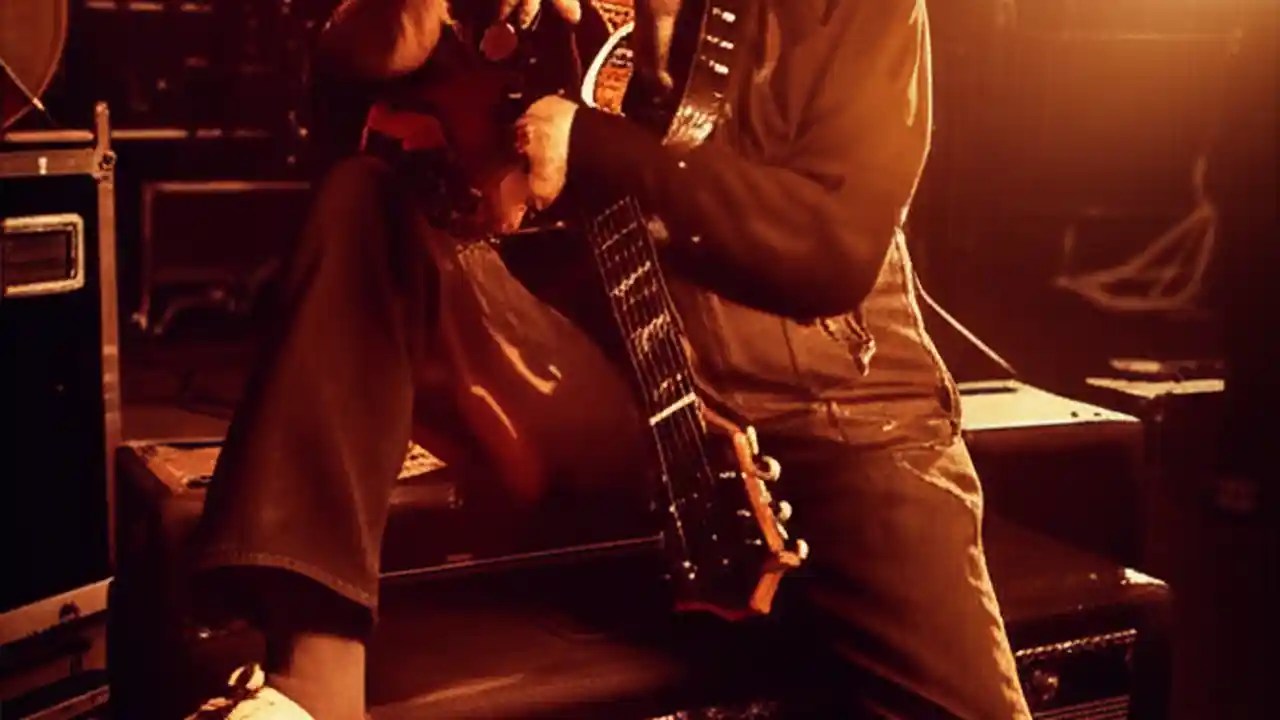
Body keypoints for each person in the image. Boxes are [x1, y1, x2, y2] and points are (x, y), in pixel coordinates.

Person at [186, 0, 1033, 718]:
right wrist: (387, 35)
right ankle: (307, 690)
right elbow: (367, 94)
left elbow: (833, 249)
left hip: (835, 407)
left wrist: (599, 147)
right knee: (361, 204)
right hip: (620, 391)